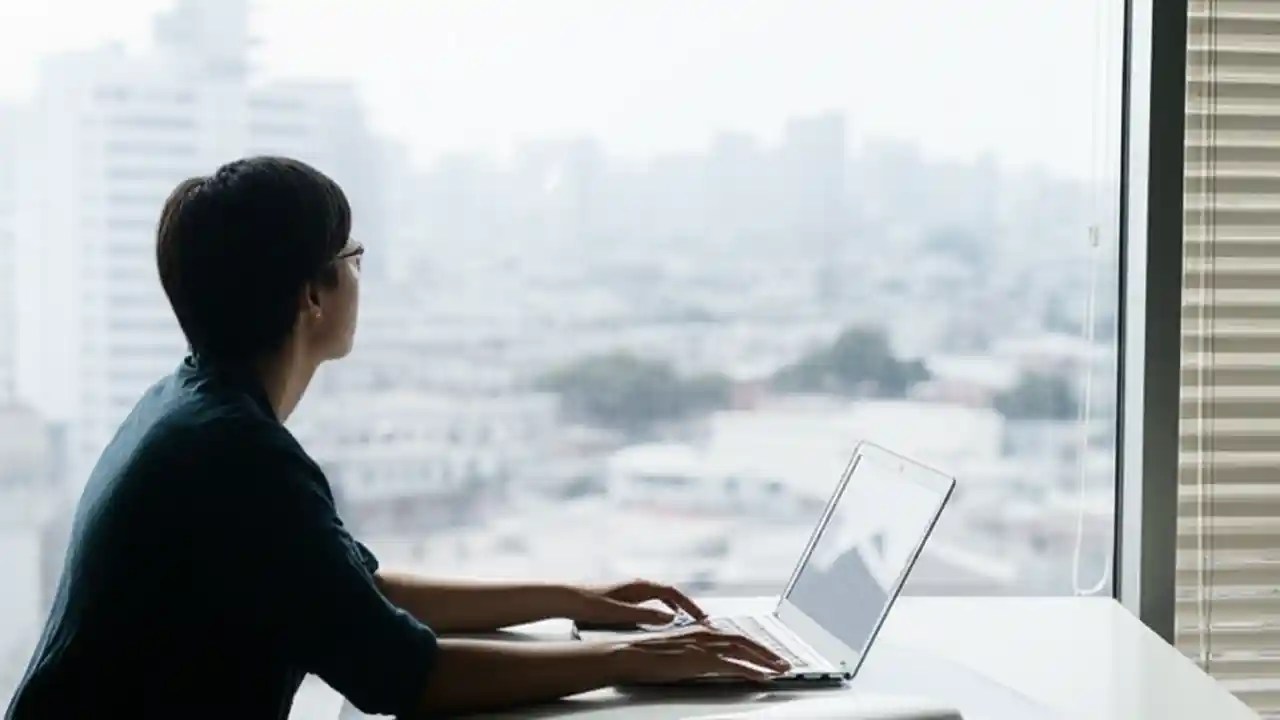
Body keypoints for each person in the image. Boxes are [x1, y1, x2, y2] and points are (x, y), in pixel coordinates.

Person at [4, 157, 788, 719]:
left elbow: (360, 593)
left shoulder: (189, 408)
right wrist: (636, 662)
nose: (360, 277)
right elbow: (403, 677)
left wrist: (576, 600)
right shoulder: (234, 455)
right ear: (312, 294)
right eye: (353, 258)